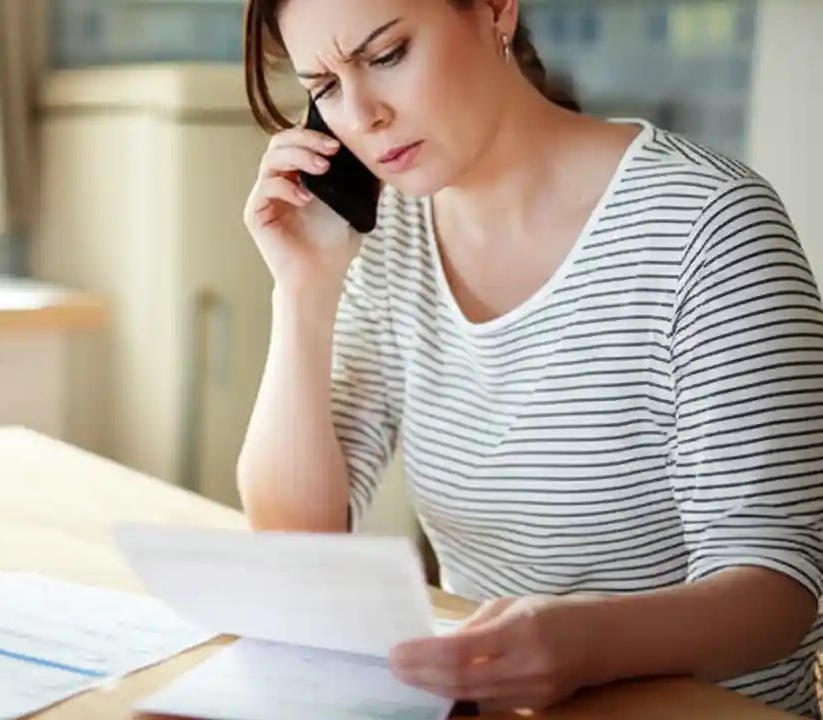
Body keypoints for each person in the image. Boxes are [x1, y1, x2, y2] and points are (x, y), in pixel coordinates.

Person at [235, 0, 823, 715]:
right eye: (323, 87)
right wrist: (301, 293)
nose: (361, 115)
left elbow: (778, 596)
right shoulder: (390, 235)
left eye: (386, 56)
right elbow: (299, 537)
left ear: (496, 11)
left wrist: (589, 645)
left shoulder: (711, 227)